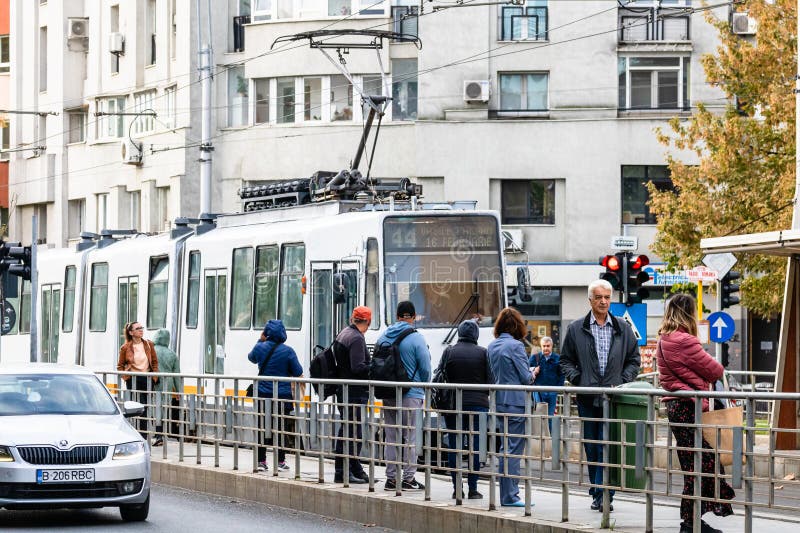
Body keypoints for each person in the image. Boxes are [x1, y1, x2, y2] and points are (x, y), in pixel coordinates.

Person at [560, 279, 640, 512]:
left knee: (610, 446)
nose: (604, 301)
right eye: (599, 297)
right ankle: (597, 490)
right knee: (592, 446)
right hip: (588, 397)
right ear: (590, 300)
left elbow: (633, 360)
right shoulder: (576, 328)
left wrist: (623, 381)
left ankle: (605, 494)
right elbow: (565, 360)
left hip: (614, 398)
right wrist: (578, 379)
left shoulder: (622, 328)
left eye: (607, 297)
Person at [657, 294, 734, 533]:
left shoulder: (664, 339)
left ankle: (692, 521)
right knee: (701, 464)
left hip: (678, 408)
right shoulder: (684, 340)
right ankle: (690, 522)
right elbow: (714, 369)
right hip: (689, 408)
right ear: (687, 313)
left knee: (695, 464)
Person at [438, 318, 494, 500]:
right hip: (478, 405)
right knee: (475, 447)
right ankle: (473, 488)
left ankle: (457, 488)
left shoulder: (449, 352)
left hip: (454, 405)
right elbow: (491, 381)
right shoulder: (483, 353)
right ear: (475, 334)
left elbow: (440, 375)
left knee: (454, 445)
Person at [378, 300, 430, 491]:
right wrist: (424, 384)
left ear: (397, 316)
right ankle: (408, 478)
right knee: (410, 436)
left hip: (388, 392)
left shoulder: (384, 336)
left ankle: (391, 479)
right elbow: (425, 367)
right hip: (412, 393)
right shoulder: (416, 338)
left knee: (391, 435)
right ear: (413, 317)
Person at [488, 307, 533, 508]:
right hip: (515, 403)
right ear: (517, 325)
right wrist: (533, 372)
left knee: (504, 448)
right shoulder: (516, 346)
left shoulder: (492, 346)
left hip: (498, 402)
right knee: (513, 450)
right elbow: (526, 378)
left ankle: (506, 494)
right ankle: (511, 496)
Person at [248, 319, 303, 472]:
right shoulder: (288, 351)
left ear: (266, 332)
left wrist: (260, 339)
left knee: (262, 427)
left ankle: (261, 461)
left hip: (263, 396)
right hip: (282, 397)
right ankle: (280, 461)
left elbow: (251, 358)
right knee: (280, 428)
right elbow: (298, 371)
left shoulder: (260, 348)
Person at [332, 306, 372, 485]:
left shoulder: (345, 333)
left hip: (345, 390)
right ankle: (343, 471)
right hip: (353, 391)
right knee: (351, 432)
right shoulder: (356, 338)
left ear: (352, 318)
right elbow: (357, 367)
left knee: (350, 430)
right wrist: (374, 368)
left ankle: (355, 468)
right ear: (368, 322)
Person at [117, 322, 159, 436]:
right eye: (138, 328)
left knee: (145, 406)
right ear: (131, 332)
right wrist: (126, 378)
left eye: (142, 328)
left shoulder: (149, 344)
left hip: (147, 379)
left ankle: (143, 433)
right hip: (133, 380)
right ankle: (140, 434)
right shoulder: (125, 348)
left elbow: (154, 362)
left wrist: (154, 377)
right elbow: (120, 366)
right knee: (139, 406)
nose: (141, 330)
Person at [529, 336, 564, 433]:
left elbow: (562, 375)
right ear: (541, 346)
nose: (546, 348)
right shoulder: (534, 358)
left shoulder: (557, 358)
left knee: (550, 417)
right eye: (544, 346)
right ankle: (540, 439)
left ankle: (551, 440)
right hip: (538, 392)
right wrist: (534, 371)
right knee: (539, 417)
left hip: (552, 393)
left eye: (548, 346)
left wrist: (557, 389)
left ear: (552, 346)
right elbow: (526, 372)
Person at [152, 328, 181, 446]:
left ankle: (155, 433)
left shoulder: (151, 351)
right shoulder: (172, 354)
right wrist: (179, 392)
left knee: (152, 406)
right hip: (167, 385)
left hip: (152, 382)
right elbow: (177, 376)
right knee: (163, 408)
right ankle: (160, 434)